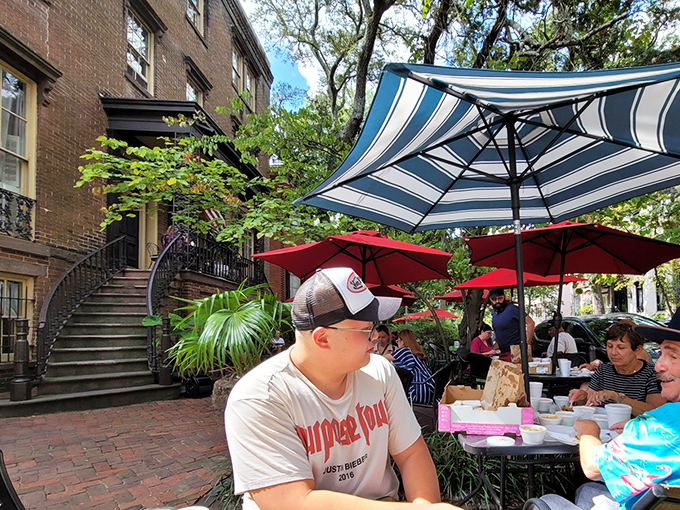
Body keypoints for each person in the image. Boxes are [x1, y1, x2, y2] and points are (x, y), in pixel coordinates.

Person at [224, 267, 456, 510]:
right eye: (366, 329)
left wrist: (426, 505)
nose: (376, 335)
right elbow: (293, 502)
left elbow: (411, 455)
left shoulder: (379, 372)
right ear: (322, 338)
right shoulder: (259, 397)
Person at [539, 309, 680, 510]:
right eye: (663, 353)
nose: (659, 365)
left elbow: (591, 467)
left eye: (673, 356)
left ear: (637, 350)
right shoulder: (605, 371)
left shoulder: (660, 425)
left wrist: (589, 431)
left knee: (546, 501)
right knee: (588, 491)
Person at [568, 323, 665, 416]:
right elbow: (589, 403)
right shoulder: (603, 370)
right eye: (610, 346)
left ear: (637, 350)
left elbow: (656, 411)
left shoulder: (652, 374)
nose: (613, 352)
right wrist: (582, 397)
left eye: (621, 347)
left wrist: (617, 397)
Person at [385, 329, 435, 405]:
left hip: (417, 392)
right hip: (430, 392)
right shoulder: (417, 353)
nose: (397, 342)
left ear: (403, 341)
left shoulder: (405, 351)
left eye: (398, 340)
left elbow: (381, 358)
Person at [489, 287, 535, 362]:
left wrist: (527, 344)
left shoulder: (513, 309)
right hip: (502, 353)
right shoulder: (494, 313)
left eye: (500, 298)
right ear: (490, 300)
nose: (497, 301)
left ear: (504, 297)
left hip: (516, 352)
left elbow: (530, 323)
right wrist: (492, 350)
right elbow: (501, 334)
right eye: (494, 299)